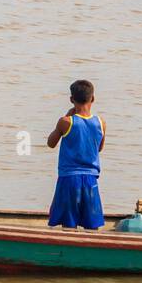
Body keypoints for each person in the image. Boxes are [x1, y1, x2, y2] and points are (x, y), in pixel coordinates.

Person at [46, 80, 105, 230]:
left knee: (68, 226)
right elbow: (99, 148)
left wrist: (66, 116)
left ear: (72, 100)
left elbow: (51, 143)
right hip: (91, 179)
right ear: (93, 98)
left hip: (69, 179)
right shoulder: (100, 122)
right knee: (92, 226)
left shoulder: (65, 122)